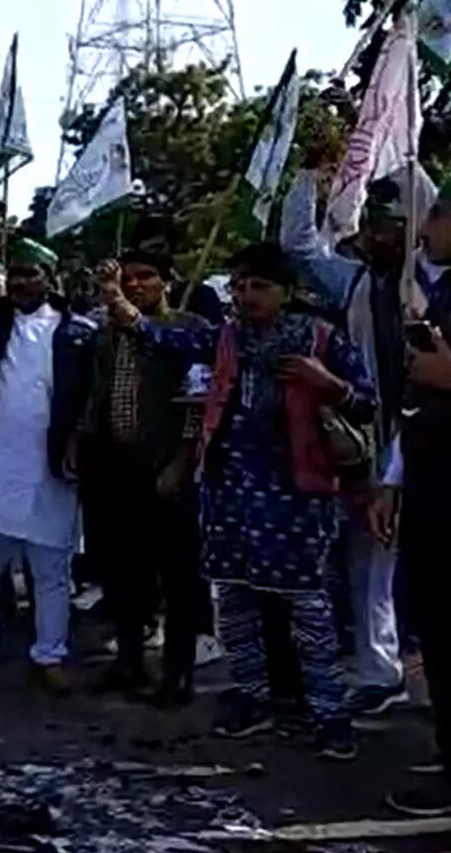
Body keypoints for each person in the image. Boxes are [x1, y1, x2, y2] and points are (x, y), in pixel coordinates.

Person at [109, 242, 374, 761]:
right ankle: (251, 697)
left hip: (299, 498)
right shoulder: (227, 337)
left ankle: (328, 713)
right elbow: (173, 339)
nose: (247, 296)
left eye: (260, 287)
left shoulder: (321, 338)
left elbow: (365, 403)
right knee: (235, 603)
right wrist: (130, 317)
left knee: (311, 611)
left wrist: (329, 386)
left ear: (289, 292)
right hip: (230, 493)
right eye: (241, 286)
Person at [283, 168, 442, 717]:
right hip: (367, 443)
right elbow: (298, 246)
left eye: (392, 225)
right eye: (372, 224)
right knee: (367, 560)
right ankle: (380, 670)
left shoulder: (432, 285)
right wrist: (314, 175)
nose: (378, 236)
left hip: (427, 444)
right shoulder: (354, 280)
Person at [0, 209, 98, 695]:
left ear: (52, 279)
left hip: (51, 470)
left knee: (51, 570)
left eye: (33, 274)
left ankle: (49, 654)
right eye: (18, 273)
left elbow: (90, 398)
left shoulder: (79, 332)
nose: (24, 282)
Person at [75, 252, 210, 705]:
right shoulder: (110, 332)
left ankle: (177, 675)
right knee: (123, 570)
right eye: (127, 279)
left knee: (177, 576)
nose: (134, 286)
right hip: (117, 464)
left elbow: (197, 399)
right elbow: (100, 390)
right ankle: (129, 661)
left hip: (167, 464)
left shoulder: (188, 328)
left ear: (167, 280)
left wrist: (181, 462)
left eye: (145, 277)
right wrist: (84, 438)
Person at [377, 192, 451, 816]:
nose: (426, 230)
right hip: (431, 486)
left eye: (437, 218)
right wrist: (392, 480)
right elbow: (420, 401)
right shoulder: (443, 295)